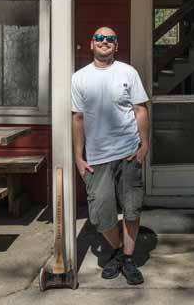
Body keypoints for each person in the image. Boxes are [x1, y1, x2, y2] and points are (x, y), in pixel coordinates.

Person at [71, 26, 149, 285]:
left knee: (131, 209)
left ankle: (127, 257)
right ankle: (116, 250)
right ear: (92, 44)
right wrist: (78, 158)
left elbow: (140, 110)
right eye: (100, 38)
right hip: (97, 158)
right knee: (101, 215)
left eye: (111, 39)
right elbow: (78, 118)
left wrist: (144, 145)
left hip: (128, 153)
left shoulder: (128, 72)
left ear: (116, 45)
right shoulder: (79, 78)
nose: (105, 42)